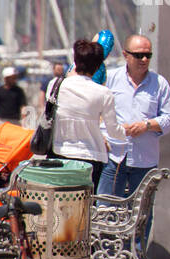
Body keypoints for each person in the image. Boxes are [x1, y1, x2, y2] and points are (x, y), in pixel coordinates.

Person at [98, 36, 170, 200]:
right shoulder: (110, 78)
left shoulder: (159, 83)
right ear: (126, 55)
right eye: (139, 55)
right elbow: (96, 112)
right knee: (105, 210)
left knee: (142, 215)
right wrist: (105, 133)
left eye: (148, 55)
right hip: (114, 158)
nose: (144, 59)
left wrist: (147, 125)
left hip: (145, 160)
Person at [50, 39, 127, 191]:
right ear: (98, 67)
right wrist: (127, 132)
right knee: (86, 207)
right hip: (91, 158)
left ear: (75, 62)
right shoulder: (104, 93)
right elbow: (113, 131)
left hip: (61, 154)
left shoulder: (56, 85)